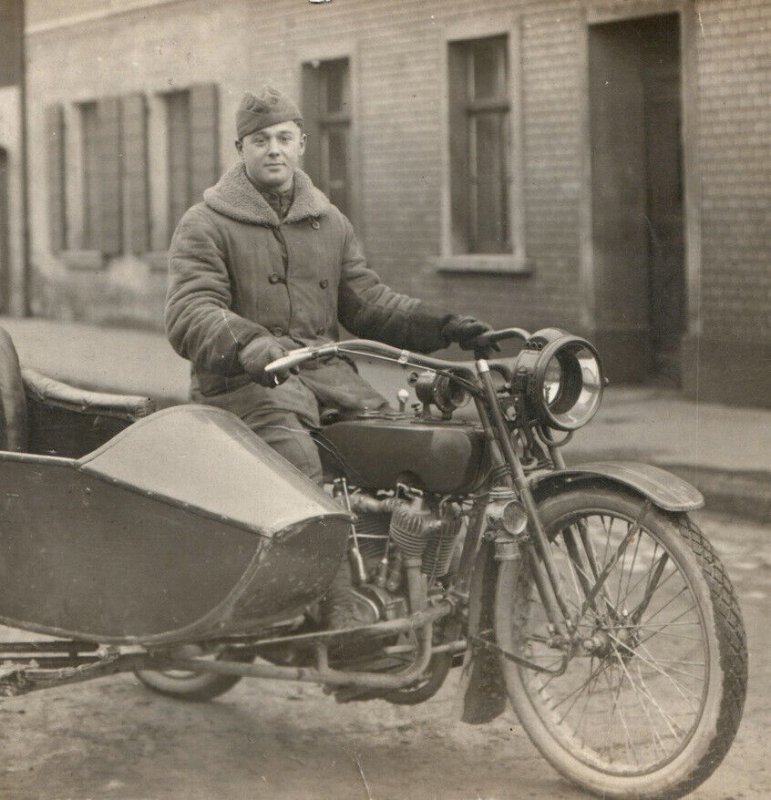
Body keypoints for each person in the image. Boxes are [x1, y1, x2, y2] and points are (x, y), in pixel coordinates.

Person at [165, 85, 492, 626]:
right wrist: (249, 344)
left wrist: (443, 326)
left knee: (403, 451)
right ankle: (335, 608)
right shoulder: (205, 223)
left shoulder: (329, 222)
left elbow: (368, 302)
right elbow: (191, 310)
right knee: (300, 469)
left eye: (284, 138)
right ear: (240, 149)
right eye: (261, 140)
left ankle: (404, 580)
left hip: (329, 380)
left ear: (302, 146)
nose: (274, 149)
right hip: (245, 387)